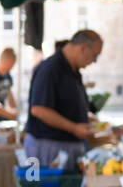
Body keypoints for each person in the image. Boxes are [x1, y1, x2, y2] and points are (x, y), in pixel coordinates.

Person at [24, 30, 102, 171]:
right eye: (95, 55)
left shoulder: (73, 70)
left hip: (67, 147)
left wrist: (85, 119)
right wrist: (74, 127)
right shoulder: (50, 68)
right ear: (83, 48)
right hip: (47, 149)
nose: (95, 60)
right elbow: (38, 109)